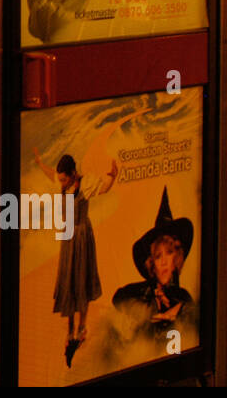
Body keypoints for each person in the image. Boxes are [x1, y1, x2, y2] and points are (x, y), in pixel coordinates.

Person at [32, 147, 120, 367]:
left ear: (72, 174)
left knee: (82, 282)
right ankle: (70, 331)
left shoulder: (86, 184)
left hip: (82, 236)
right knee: (70, 283)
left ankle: (81, 329)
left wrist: (114, 176)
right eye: (60, 180)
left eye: (64, 179)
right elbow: (50, 173)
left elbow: (105, 188)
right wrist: (39, 160)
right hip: (68, 237)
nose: (61, 183)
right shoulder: (61, 182)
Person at [111, 187, 195, 340]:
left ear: (177, 259)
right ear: (151, 264)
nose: (163, 261)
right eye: (158, 256)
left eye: (169, 253)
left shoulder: (185, 299)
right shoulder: (136, 292)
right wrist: (149, 309)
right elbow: (118, 299)